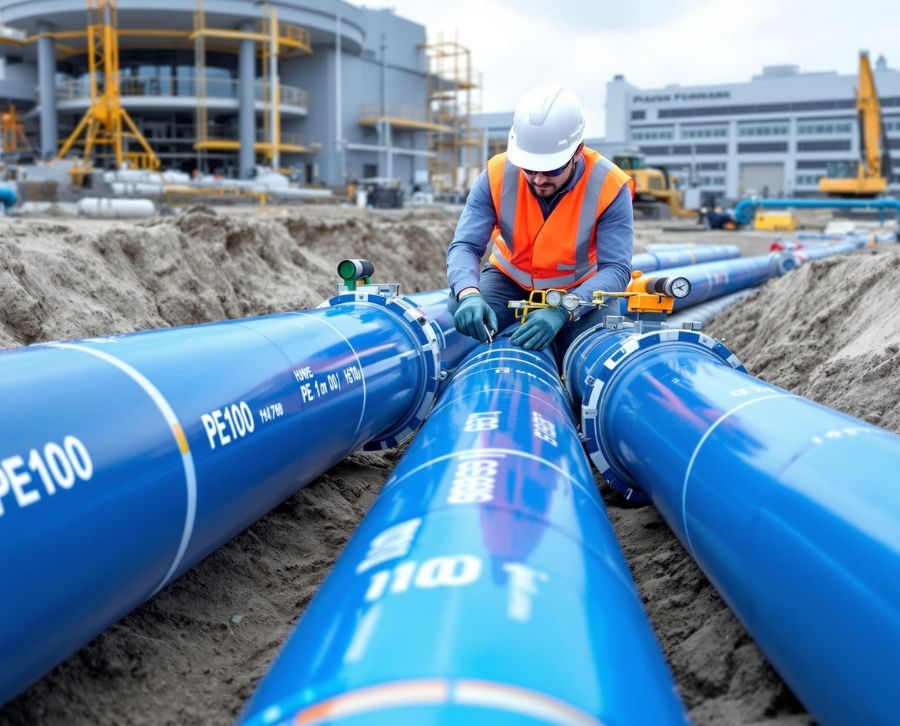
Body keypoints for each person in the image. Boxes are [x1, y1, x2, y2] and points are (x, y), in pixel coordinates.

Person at [446, 83, 635, 356]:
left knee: (596, 346)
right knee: (461, 311)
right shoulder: (496, 175)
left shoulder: (609, 185)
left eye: (551, 170)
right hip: (509, 280)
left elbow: (616, 269)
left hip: (579, 288)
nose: (538, 179)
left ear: (577, 151)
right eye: (530, 168)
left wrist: (564, 309)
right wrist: (468, 294)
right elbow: (465, 245)